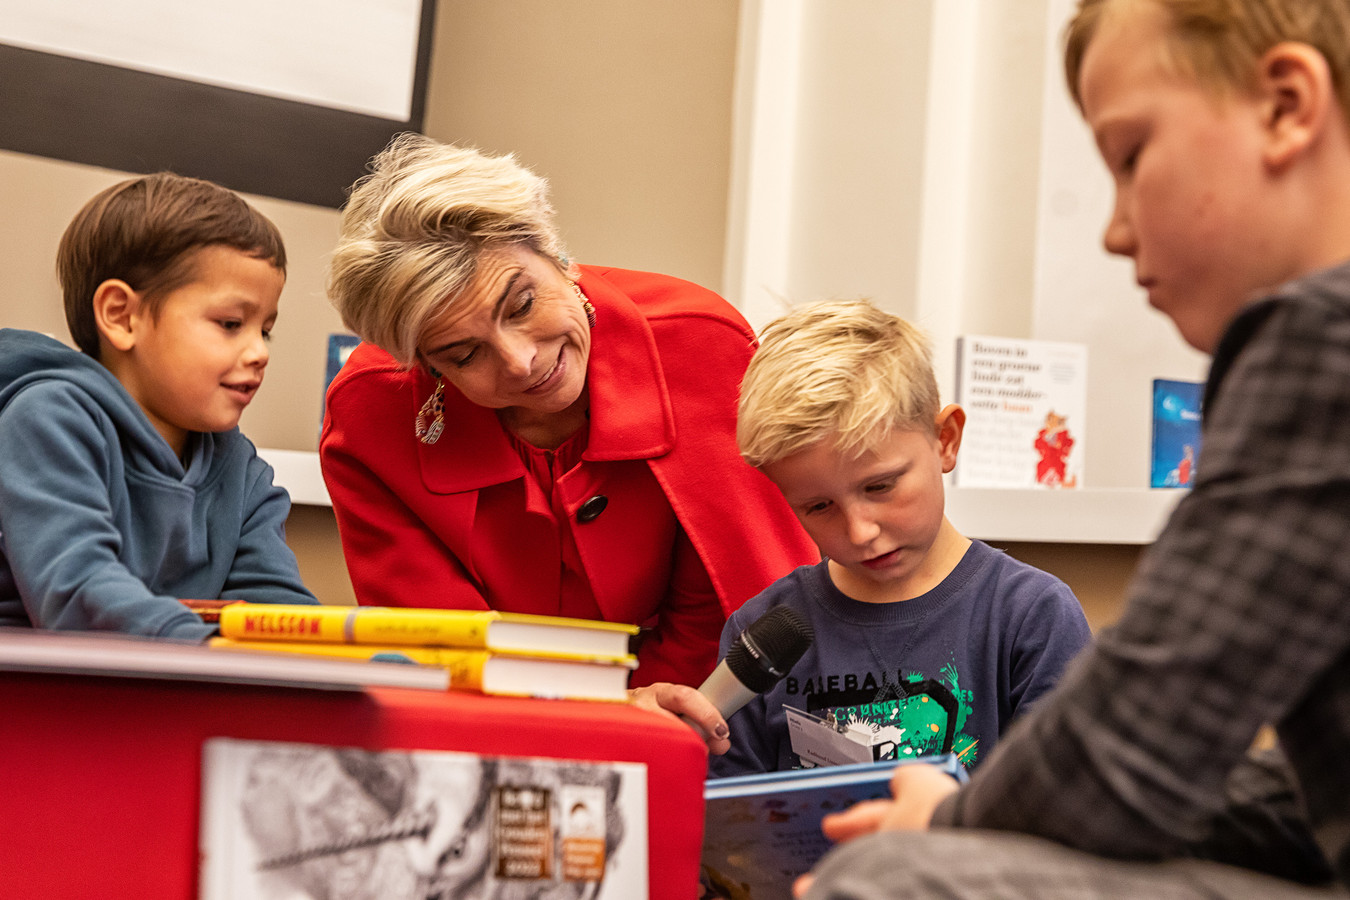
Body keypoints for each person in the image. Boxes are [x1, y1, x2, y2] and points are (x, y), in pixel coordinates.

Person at [802, 0, 1350, 896]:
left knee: (891, 881)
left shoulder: (1324, 339)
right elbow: (1297, 795)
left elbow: (1134, 747)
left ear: (1287, 104)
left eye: (1131, 158)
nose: (1114, 230)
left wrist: (944, 826)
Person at [319, 133, 818, 688]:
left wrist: (642, 713)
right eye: (463, 355)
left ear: (556, 256)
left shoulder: (698, 344)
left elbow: (738, 605)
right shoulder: (369, 410)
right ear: (426, 367)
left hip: (702, 704)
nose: (520, 362)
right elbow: (439, 643)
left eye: (522, 305)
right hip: (490, 713)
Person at [698, 299, 1091, 778]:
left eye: (880, 487)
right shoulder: (760, 635)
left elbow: (1064, 803)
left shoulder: (1033, 616)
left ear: (945, 440)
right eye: (819, 507)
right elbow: (732, 815)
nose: (860, 532)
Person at [0, 173, 317, 641]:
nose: (259, 352)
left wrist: (353, 661)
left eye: (265, 331)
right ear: (121, 316)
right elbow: (78, 594)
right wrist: (210, 653)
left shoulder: (243, 472)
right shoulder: (48, 422)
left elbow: (274, 609)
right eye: (231, 323)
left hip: (175, 677)